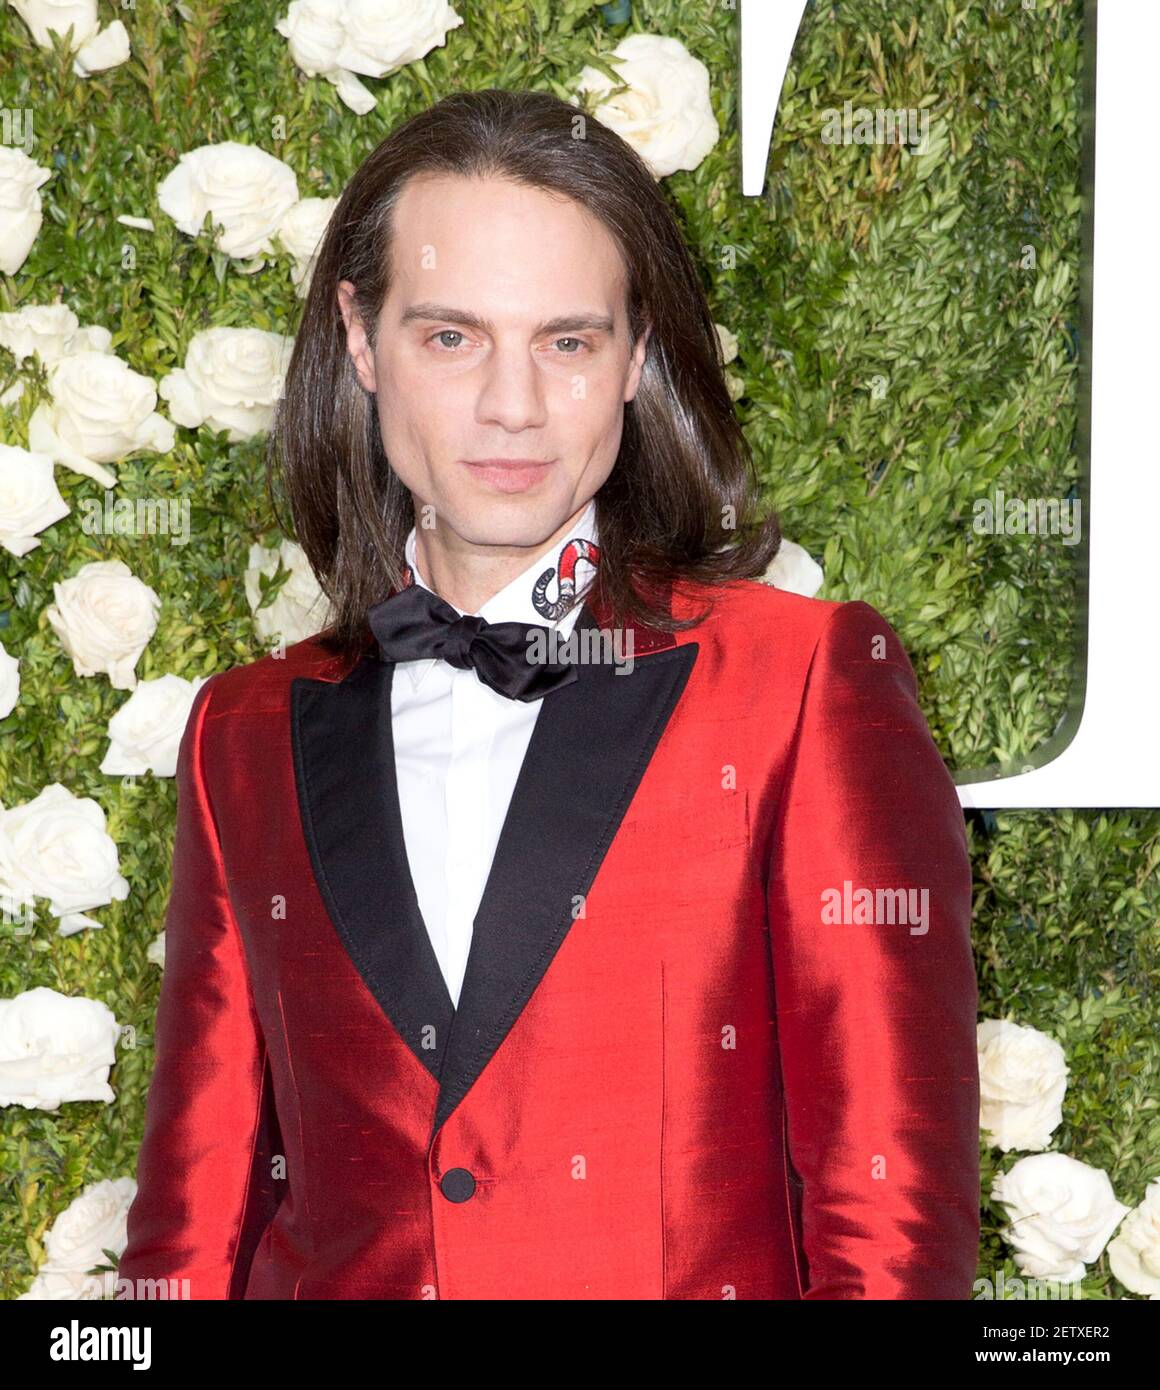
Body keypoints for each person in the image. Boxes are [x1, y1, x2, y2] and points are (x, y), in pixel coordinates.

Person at [115, 88, 979, 1300]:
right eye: (451, 336)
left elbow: (887, 1228)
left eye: (566, 341)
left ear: (635, 357)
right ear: (361, 341)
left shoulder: (798, 684)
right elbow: (189, 1232)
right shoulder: (243, 732)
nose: (510, 406)